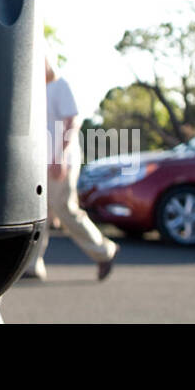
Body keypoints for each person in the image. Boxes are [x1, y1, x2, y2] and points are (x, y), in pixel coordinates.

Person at [25, 58, 118, 281]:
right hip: (41, 162)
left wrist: (60, 157)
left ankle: (104, 251)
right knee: (38, 213)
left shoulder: (60, 85)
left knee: (65, 209)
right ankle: (31, 265)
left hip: (61, 161)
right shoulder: (36, 90)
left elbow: (72, 122)